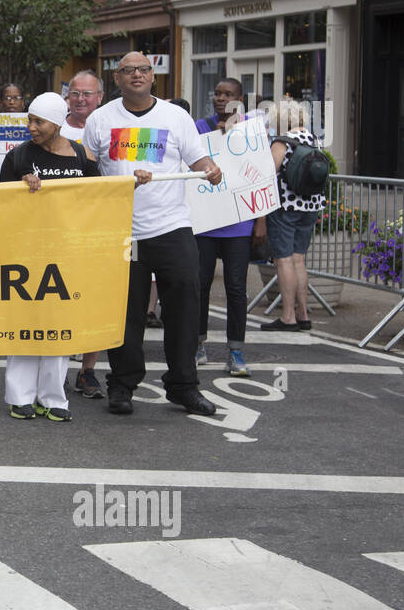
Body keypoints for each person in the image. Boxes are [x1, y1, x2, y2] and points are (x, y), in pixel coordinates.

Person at [80, 51, 223, 417]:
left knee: (185, 307)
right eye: (129, 71)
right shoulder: (100, 119)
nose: (138, 75)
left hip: (171, 227)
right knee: (126, 313)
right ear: (117, 79)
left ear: (153, 77)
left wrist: (211, 168)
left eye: (144, 69)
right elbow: (84, 169)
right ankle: (123, 385)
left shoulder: (176, 116)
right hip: (123, 233)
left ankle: (183, 386)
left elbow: (198, 160)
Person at [0, 92, 99, 420]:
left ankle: (54, 397)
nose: (31, 127)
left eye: (38, 121)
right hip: (26, 253)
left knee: (60, 325)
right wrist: (20, 189)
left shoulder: (81, 155)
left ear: (57, 123)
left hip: (68, 252)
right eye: (29, 120)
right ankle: (20, 395)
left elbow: (97, 198)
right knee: (26, 323)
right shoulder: (17, 158)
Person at [194, 78, 261, 375]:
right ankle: (197, 343)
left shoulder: (252, 130)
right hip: (206, 220)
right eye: (217, 93)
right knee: (200, 285)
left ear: (240, 99)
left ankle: (236, 350)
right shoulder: (199, 126)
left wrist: (261, 220)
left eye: (228, 94)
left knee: (236, 288)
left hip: (238, 222)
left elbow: (261, 178)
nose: (221, 98)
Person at [58, 70, 107, 397]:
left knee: (94, 298)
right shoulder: (53, 126)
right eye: (75, 93)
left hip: (96, 223)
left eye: (87, 94)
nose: (80, 99)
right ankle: (51, 368)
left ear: (99, 97)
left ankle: (87, 370)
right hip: (58, 224)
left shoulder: (107, 125)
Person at [262, 99, 326, 332]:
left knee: (284, 260)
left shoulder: (282, 141)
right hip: (310, 207)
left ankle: (288, 316)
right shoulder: (313, 139)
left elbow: (268, 172)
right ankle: (303, 314)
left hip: (285, 207)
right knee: (299, 259)